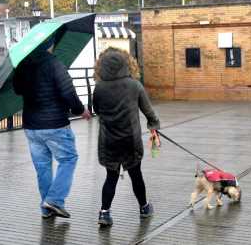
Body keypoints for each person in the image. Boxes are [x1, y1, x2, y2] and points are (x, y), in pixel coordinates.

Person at [13, 37, 91, 219]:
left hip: (32, 126)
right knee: (69, 159)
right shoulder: (54, 63)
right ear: (50, 45)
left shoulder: (23, 64)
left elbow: (17, 89)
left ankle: (46, 208)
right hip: (54, 124)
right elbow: (67, 92)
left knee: (42, 167)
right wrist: (81, 110)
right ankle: (55, 200)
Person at [92, 48, 160, 227]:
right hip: (130, 140)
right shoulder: (134, 85)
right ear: (126, 64)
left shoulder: (99, 88)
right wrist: (153, 127)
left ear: (102, 66)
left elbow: (97, 110)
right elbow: (149, 113)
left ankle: (104, 213)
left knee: (111, 177)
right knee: (136, 175)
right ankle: (144, 208)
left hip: (108, 141)